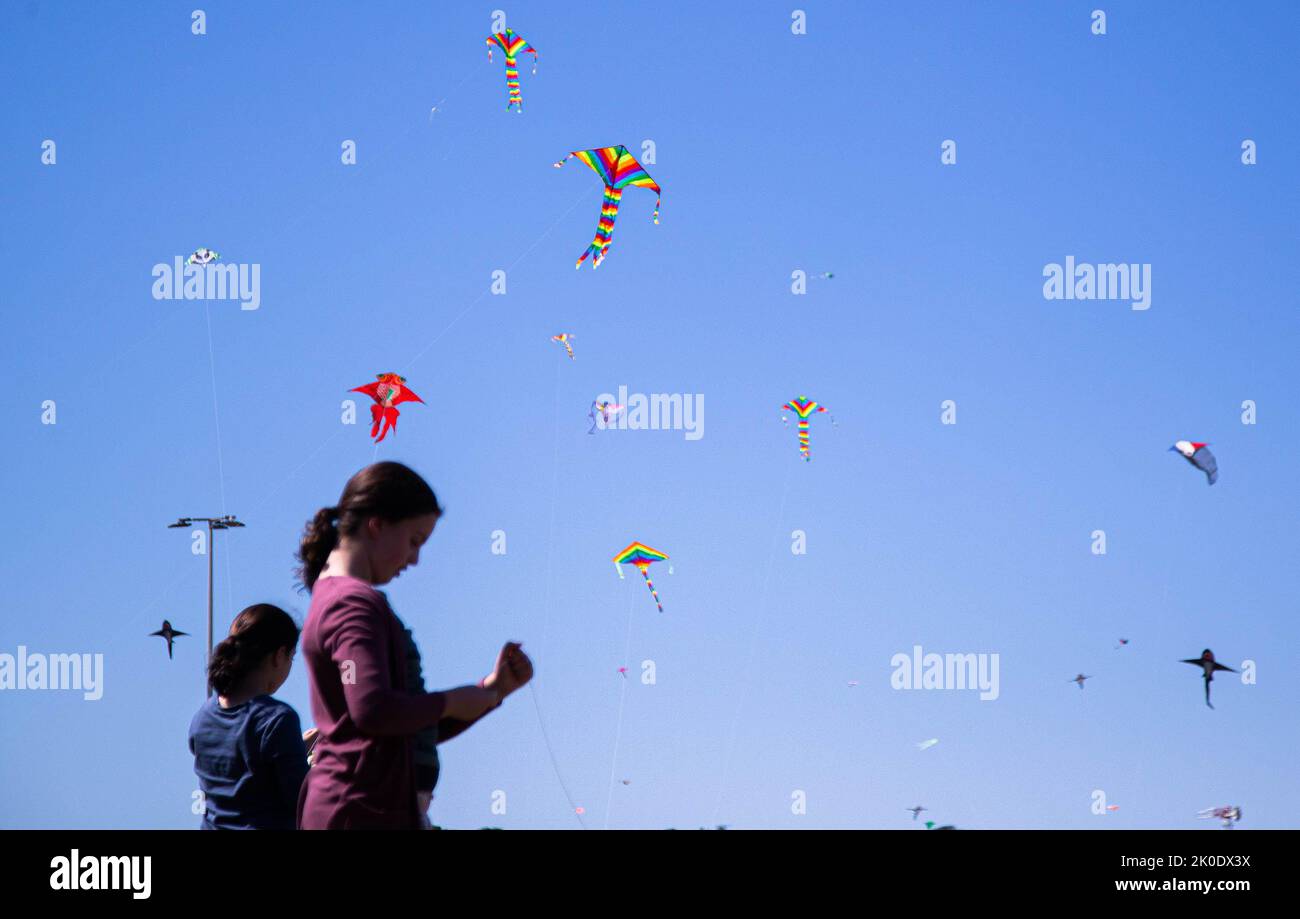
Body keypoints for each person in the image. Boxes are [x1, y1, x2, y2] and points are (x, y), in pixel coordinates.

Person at [295, 461, 532, 829]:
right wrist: (452, 700)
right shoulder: (351, 604)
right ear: (377, 525)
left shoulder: (336, 596)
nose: (415, 559)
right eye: (414, 541)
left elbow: (405, 728)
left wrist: (493, 691)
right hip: (357, 812)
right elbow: (371, 710)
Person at [188, 604, 310, 830]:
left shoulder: (202, 719)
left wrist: (295, 750)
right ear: (279, 655)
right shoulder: (278, 720)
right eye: (291, 658)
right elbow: (303, 803)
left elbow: (245, 771)